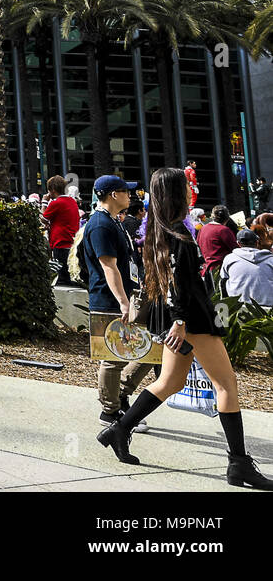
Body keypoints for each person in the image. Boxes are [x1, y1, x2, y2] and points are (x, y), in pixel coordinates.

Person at [99, 167, 273, 489]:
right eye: (186, 187)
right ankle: (239, 464)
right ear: (178, 193)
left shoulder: (157, 232)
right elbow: (179, 283)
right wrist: (179, 320)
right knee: (226, 385)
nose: (192, 192)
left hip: (179, 319)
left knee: (170, 381)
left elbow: (163, 282)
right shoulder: (178, 233)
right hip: (191, 320)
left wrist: (175, 319)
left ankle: (119, 429)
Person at [77, 175, 152, 429]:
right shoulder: (100, 225)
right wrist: (123, 301)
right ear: (112, 194)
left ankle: (120, 395)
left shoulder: (113, 222)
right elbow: (108, 266)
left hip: (124, 296)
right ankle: (110, 412)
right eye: (125, 191)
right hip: (110, 299)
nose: (130, 195)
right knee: (113, 357)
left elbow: (122, 263)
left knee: (149, 351)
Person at [42, 175, 82, 286]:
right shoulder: (72, 201)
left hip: (60, 243)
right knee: (70, 276)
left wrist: (44, 202)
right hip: (72, 243)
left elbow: (43, 218)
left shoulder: (57, 203)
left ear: (52, 190)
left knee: (62, 279)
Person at [220, 229, 273, 305]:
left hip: (240, 306)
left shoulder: (229, 259)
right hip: (269, 306)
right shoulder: (271, 259)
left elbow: (224, 278)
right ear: (257, 242)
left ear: (238, 243)